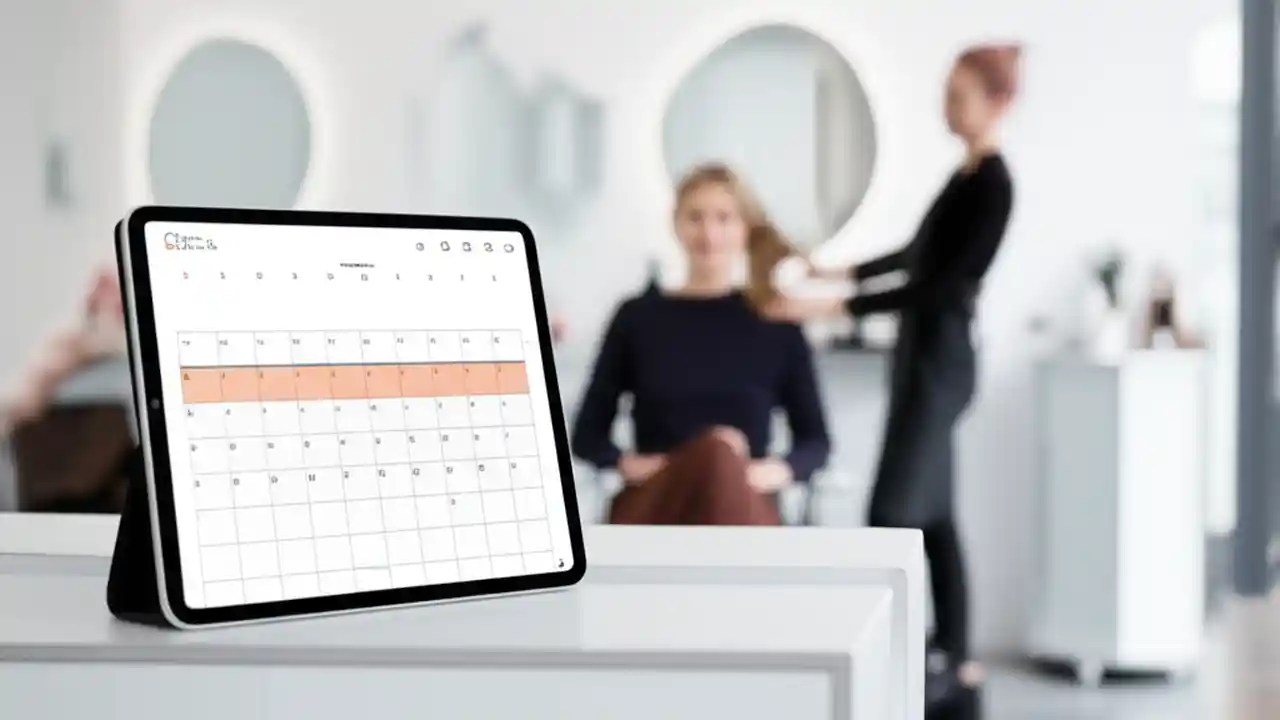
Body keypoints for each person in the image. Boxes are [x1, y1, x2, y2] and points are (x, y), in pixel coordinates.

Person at [768, 44, 1021, 707]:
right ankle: (959, 660)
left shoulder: (994, 185)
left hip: (942, 365)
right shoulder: (964, 177)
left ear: (998, 103)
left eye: (959, 95)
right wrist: (840, 274)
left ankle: (906, 651)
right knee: (935, 514)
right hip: (921, 360)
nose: (947, 106)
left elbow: (937, 286)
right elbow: (913, 255)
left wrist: (837, 304)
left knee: (894, 514)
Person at [571, 162, 830, 525]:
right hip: (656, 502)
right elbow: (587, 435)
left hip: (745, 499)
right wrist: (631, 464)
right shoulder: (637, 319)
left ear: (745, 228)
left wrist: (769, 472)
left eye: (724, 218)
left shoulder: (776, 323)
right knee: (718, 449)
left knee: (720, 459)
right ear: (676, 224)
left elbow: (815, 442)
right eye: (696, 218)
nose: (709, 233)